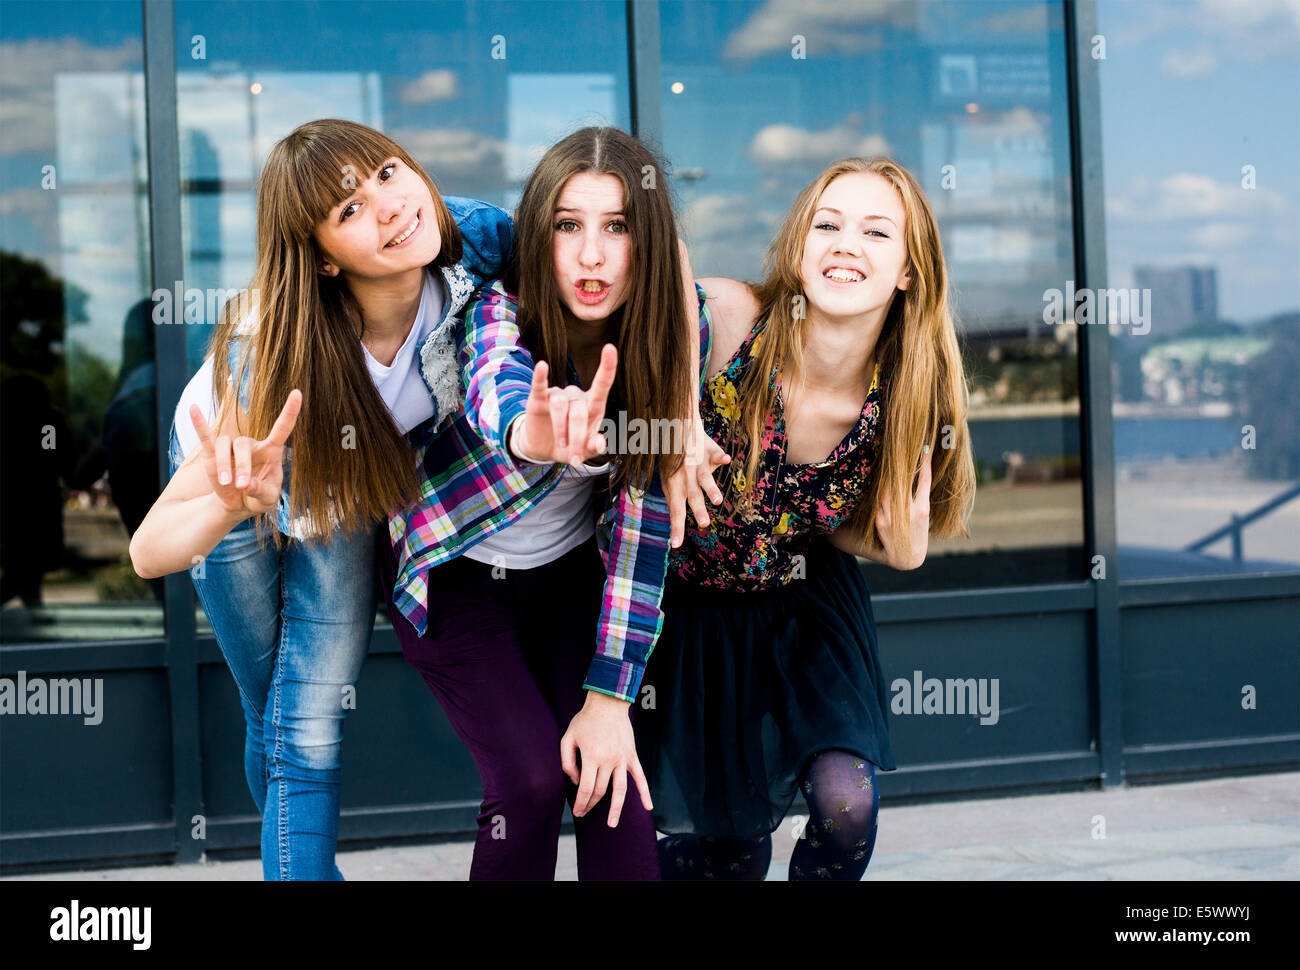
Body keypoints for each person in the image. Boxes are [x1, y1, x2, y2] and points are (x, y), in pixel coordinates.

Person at [129, 118, 516, 880]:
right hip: (237, 482)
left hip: (343, 485)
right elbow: (149, 550)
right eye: (347, 211)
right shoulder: (264, 352)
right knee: (273, 708)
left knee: (301, 729)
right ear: (324, 261)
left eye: (388, 171)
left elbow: (639, 264)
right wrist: (234, 501)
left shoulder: (473, 236)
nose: (389, 205)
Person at [379, 126, 725, 880]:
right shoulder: (499, 306)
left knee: (614, 786)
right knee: (531, 784)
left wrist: (609, 698)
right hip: (455, 574)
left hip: (570, 578)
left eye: (618, 227)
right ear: (541, 233)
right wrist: (532, 434)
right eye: (568, 226)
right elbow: (494, 385)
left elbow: (643, 527)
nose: (591, 256)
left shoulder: (675, 328)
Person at [637, 156, 977, 880]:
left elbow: (831, 523)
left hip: (806, 608)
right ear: (799, 247)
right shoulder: (728, 322)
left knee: (845, 805)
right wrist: (669, 415)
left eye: (877, 233)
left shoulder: (911, 397)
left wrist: (897, 552)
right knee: (722, 843)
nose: (847, 243)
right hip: (688, 611)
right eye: (828, 224)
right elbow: (641, 295)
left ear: (910, 272)